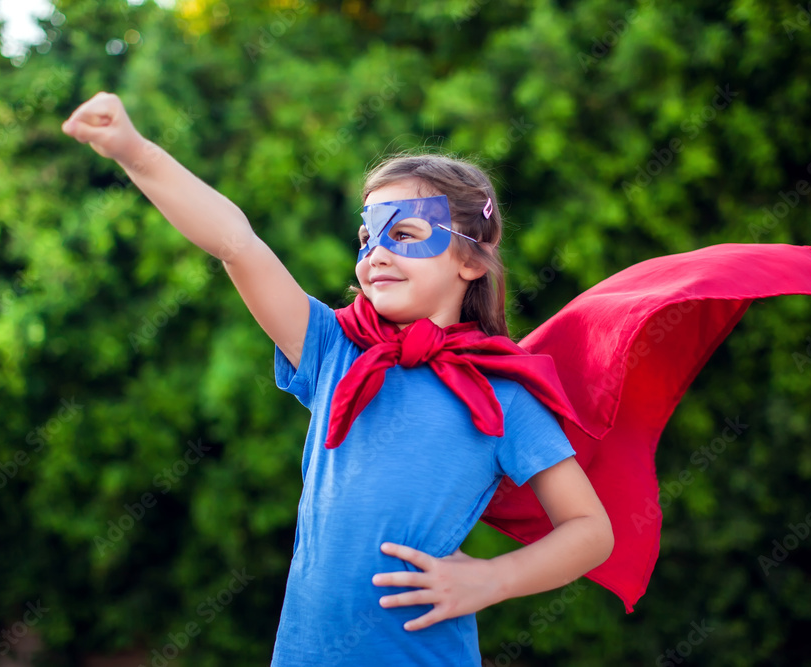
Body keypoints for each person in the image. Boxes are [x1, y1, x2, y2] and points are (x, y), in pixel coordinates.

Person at [62, 92, 616, 666]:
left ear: (471, 261)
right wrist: (135, 152)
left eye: (404, 234)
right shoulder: (334, 348)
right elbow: (236, 244)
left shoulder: (504, 393)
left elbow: (589, 530)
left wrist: (491, 580)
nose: (376, 251)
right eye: (367, 237)